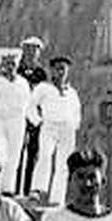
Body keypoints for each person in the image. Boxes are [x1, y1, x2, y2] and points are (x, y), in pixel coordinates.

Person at [29, 55, 82, 205]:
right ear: (52, 70)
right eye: (57, 69)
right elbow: (31, 106)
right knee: (45, 156)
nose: (60, 72)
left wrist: (74, 124)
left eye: (63, 69)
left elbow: (77, 111)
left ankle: (57, 197)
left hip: (67, 129)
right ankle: (38, 190)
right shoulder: (43, 88)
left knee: (64, 164)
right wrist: (37, 121)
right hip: (49, 126)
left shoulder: (72, 92)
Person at [0, 53, 33, 195]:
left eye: (13, 64)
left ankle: (8, 188)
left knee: (14, 155)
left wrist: (31, 124)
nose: (10, 67)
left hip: (17, 121)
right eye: (7, 64)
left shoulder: (23, 83)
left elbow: (27, 105)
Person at [15, 36, 49, 195]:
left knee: (32, 152)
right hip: (19, 113)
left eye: (35, 50)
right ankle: (14, 188)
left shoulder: (41, 73)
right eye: (28, 50)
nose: (31, 53)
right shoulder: (17, 70)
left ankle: (28, 189)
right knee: (17, 151)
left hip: (34, 116)